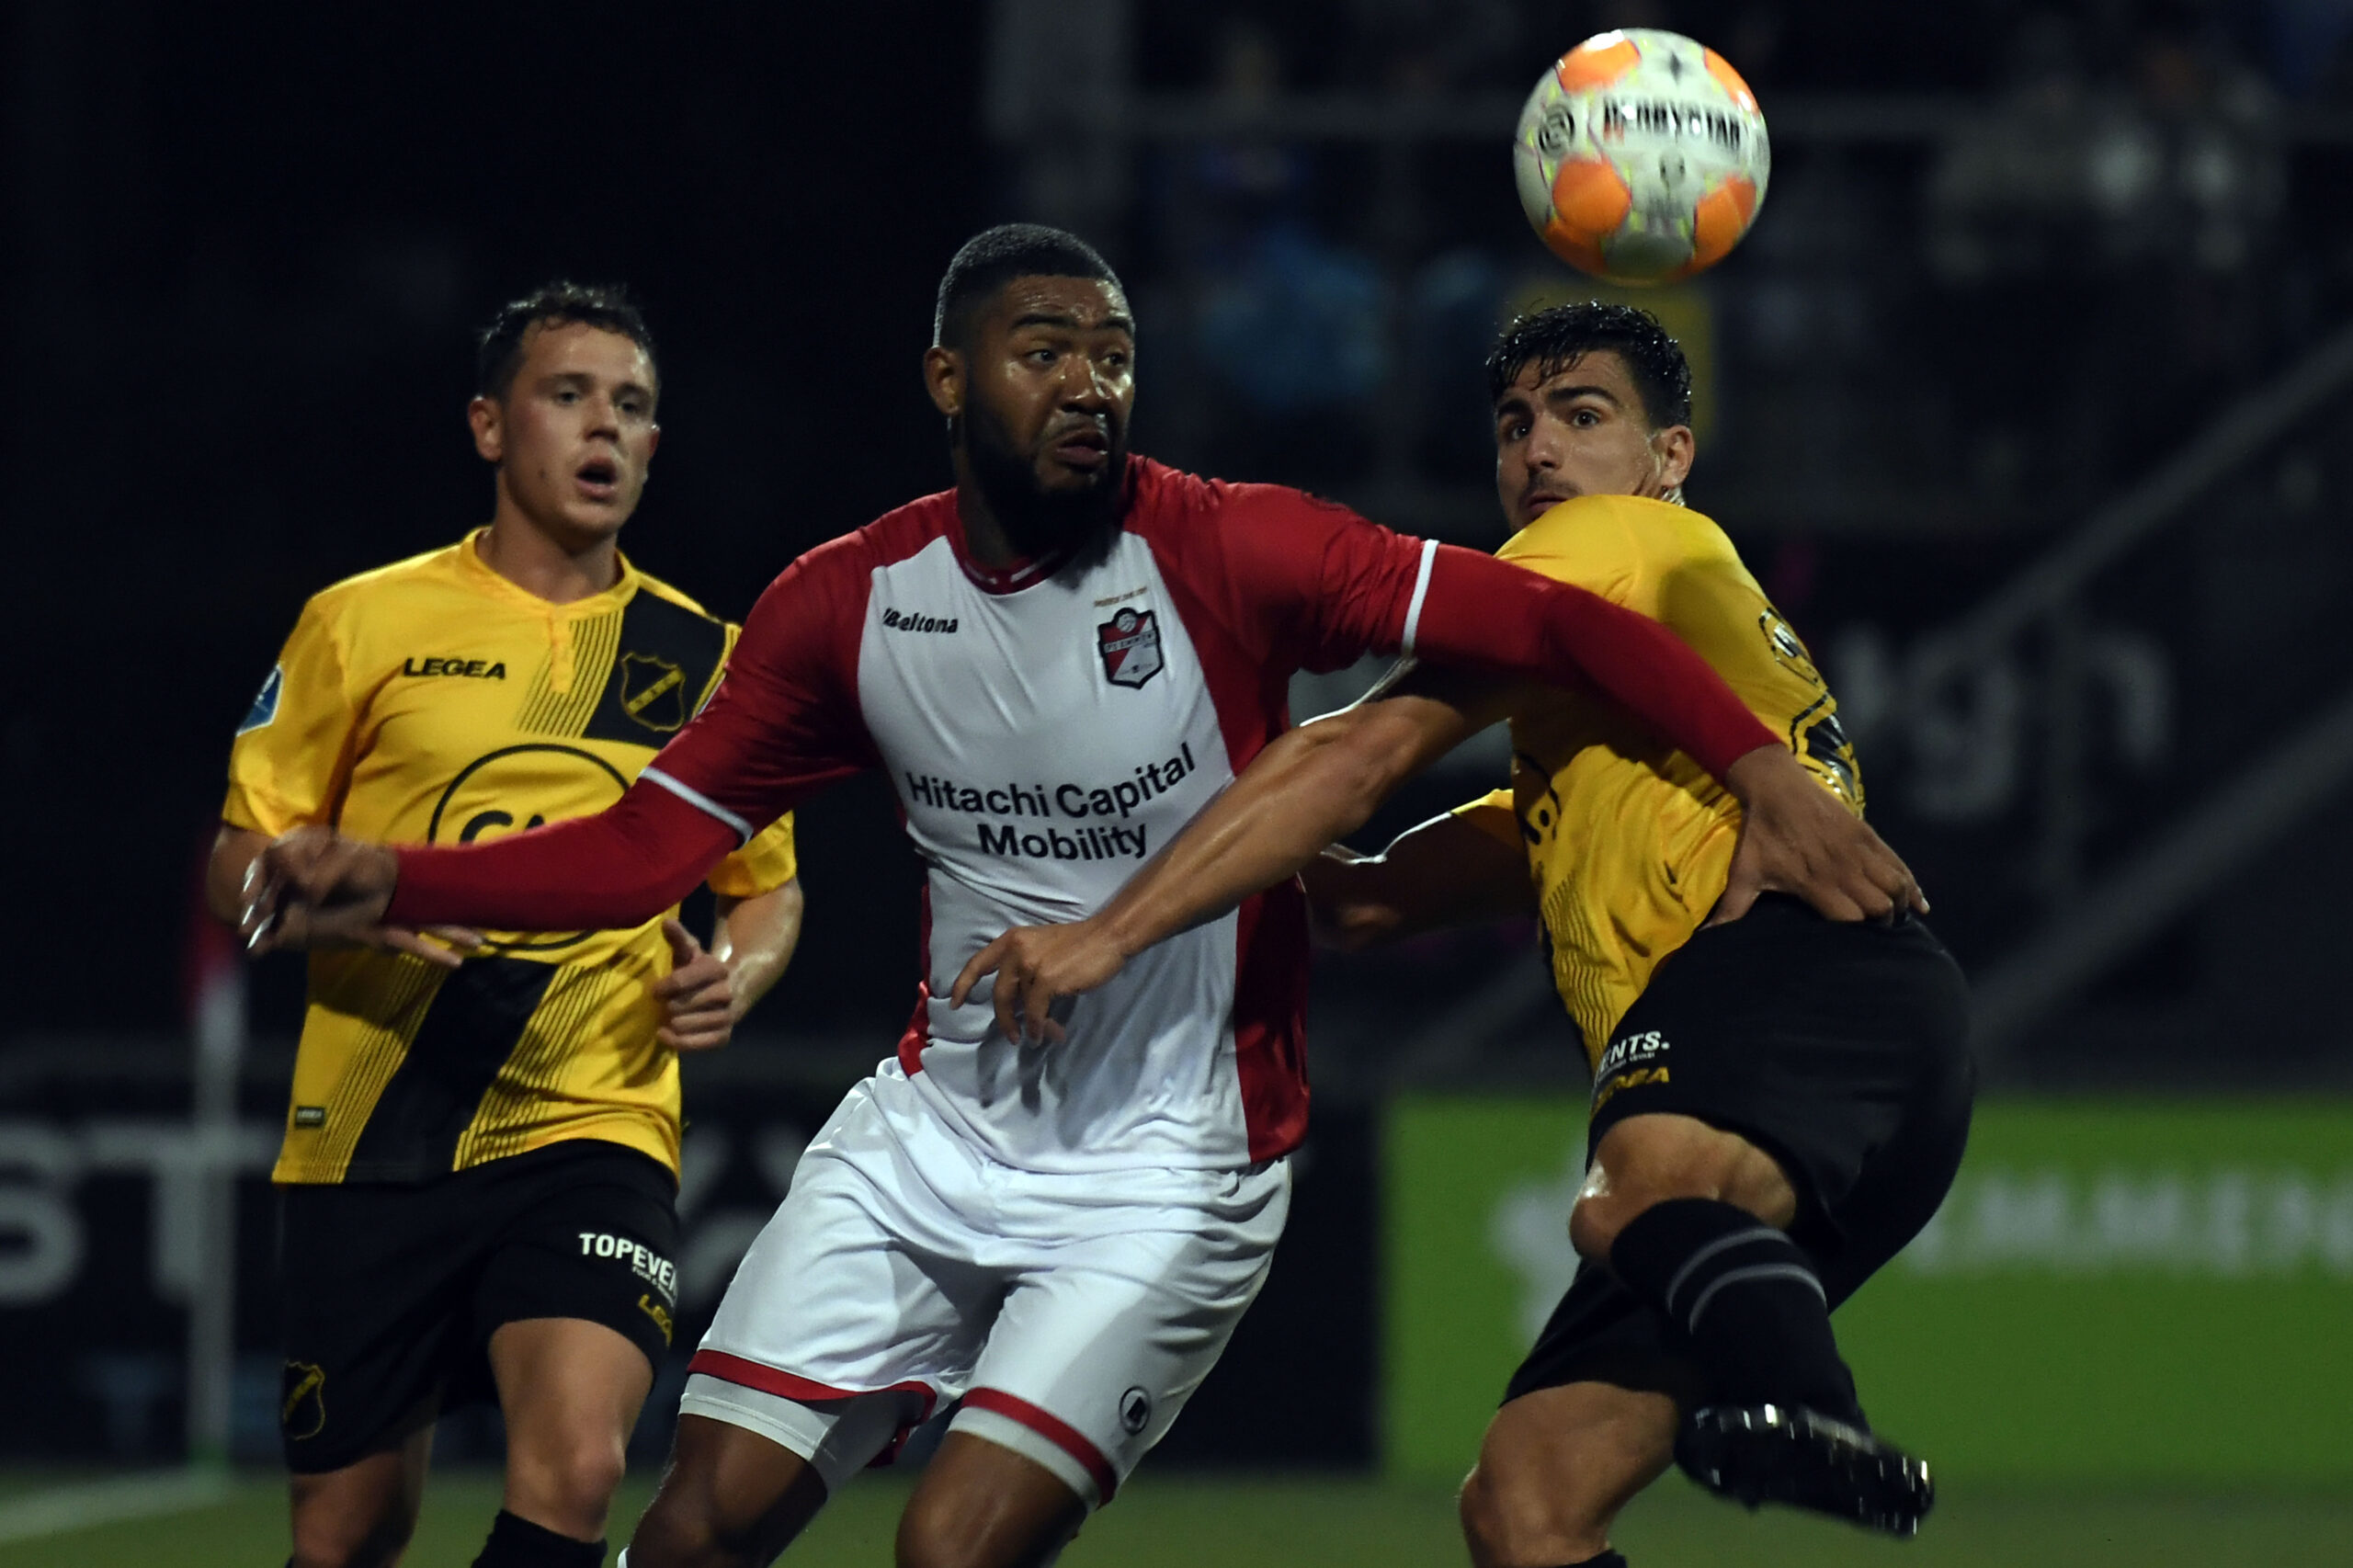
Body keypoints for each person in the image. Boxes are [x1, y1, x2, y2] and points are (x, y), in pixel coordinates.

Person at [238, 230, 1921, 1568]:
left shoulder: (1240, 546)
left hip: (1169, 1169)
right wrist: (398, 874)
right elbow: (638, 848)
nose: (1089, 383)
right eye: (1045, 351)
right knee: (693, 1524)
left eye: (1113, 353)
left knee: (955, 1542)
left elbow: (1558, 627)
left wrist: (1759, 765)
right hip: (930, 1134)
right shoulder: (844, 604)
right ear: (948, 377)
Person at [957, 303, 1970, 1562]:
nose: (1538, 451)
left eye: (1581, 416)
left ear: (1670, 459)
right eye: (1513, 424)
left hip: (1803, 974)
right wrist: (1176, 801)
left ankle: (1816, 1415)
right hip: (1872, 1050)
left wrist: (1106, 936)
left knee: (1625, 1196)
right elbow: (1364, 896)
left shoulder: (1628, 537)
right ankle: (1785, 1383)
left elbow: (1366, 748)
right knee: (1526, 1506)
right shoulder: (1598, 740)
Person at [207, 281, 806, 1568]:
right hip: (371, 1126)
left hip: (593, 1122)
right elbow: (238, 860)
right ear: (489, 426)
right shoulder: (361, 620)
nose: (605, 427)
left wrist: (739, 979)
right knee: (348, 1531)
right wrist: (302, 900)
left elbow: (768, 884)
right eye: (569, 394)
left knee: (579, 1462)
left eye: (633, 406)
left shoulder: (705, 660)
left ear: (654, 449)